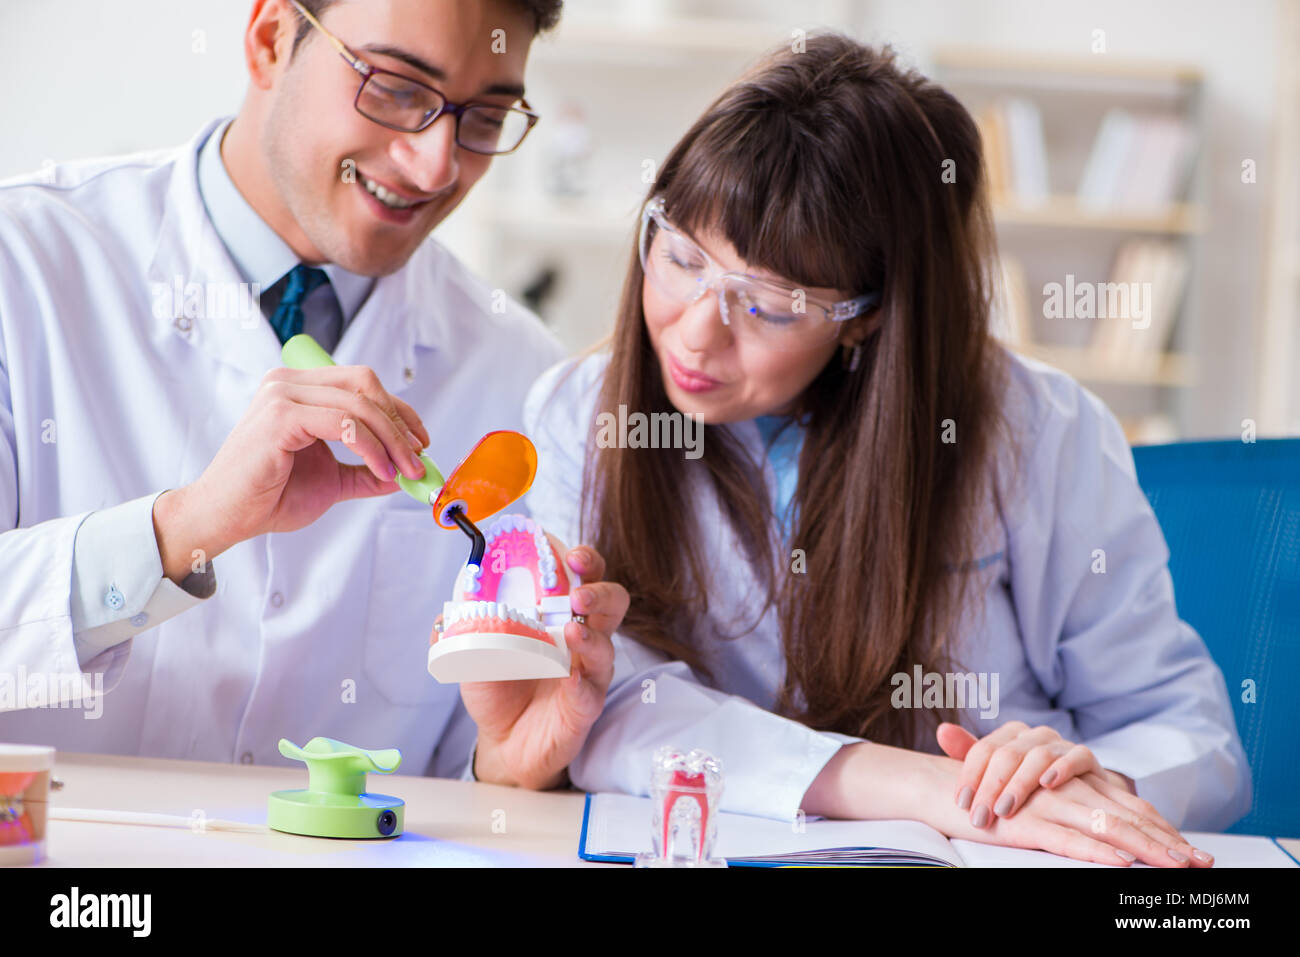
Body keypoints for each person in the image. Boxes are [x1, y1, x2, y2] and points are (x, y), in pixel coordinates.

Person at [524, 34, 1251, 866]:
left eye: (767, 306)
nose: (694, 333)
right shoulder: (580, 415)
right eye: (682, 258)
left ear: (866, 316)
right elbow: (610, 707)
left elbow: (1194, 734)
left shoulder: (1039, 427)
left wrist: (1091, 780)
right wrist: (923, 786)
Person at [0, 0, 628, 793]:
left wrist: (499, 768)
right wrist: (184, 528)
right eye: (396, 87)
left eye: (485, 117)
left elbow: (458, 784)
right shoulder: (24, 264)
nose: (436, 165)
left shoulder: (520, 375)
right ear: (270, 40)